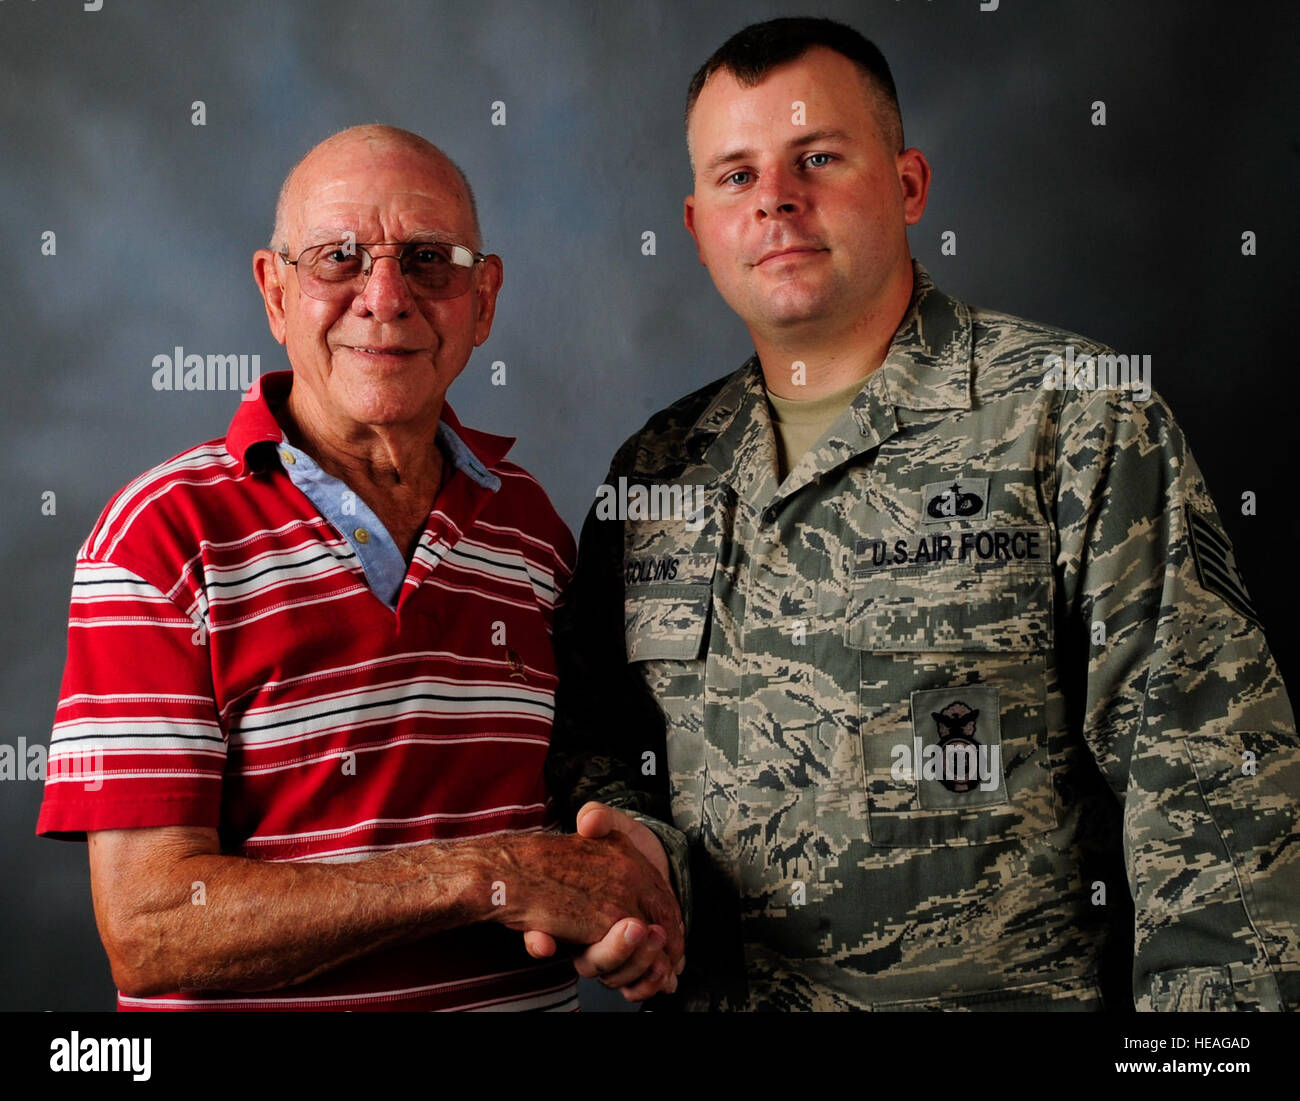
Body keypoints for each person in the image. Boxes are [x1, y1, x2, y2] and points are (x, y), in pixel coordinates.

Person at [545, 18, 1299, 1010]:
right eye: (736, 176)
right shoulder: (657, 469)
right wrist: (631, 856)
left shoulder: (1075, 416)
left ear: (907, 186)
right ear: (695, 226)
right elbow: (603, 748)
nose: (775, 198)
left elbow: (1215, 784)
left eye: (817, 157)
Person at [36, 125, 682, 1011]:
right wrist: (481, 874)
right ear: (276, 291)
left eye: (429, 260)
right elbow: (152, 931)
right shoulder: (160, 538)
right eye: (339, 258)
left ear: (483, 300)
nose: (386, 296)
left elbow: (575, 821)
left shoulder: (532, 529)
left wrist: (624, 919)